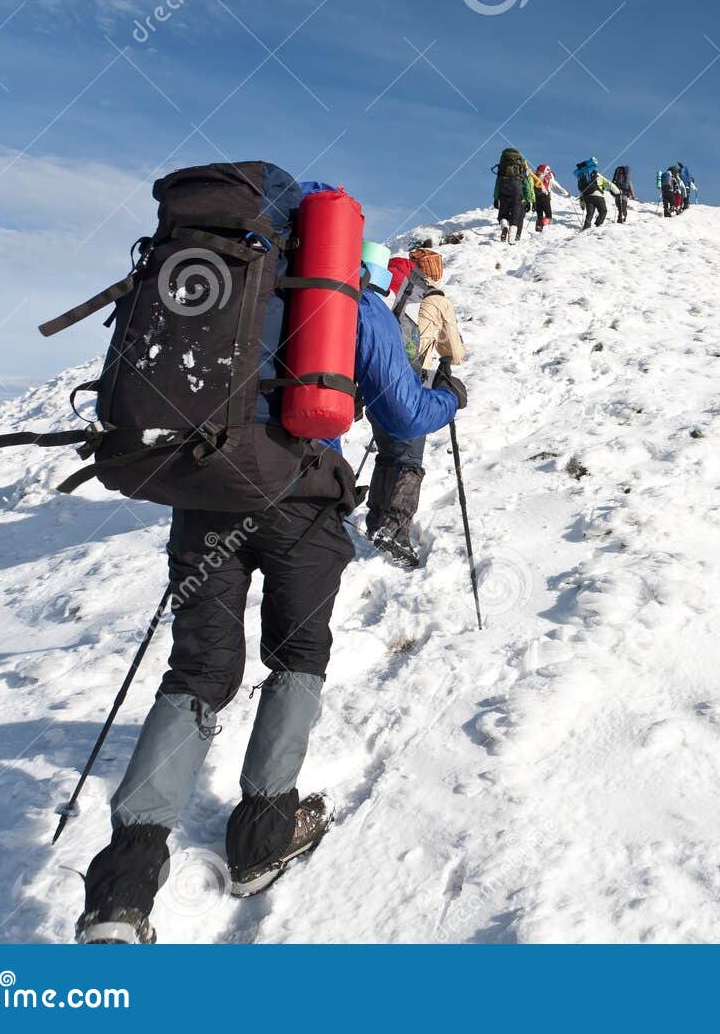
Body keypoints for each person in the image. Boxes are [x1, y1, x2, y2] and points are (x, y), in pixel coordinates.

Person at [74, 184, 467, 945]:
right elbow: (404, 415)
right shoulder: (350, 301)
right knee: (297, 656)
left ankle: (122, 890)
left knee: (197, 672)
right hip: (300, 500)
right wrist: (449, 391)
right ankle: (261, 837)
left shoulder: (214, 282)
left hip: (205, 491)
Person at [365, 246, 466, 568]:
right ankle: (395, 531)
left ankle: (376, 521)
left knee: (387, 454)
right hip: (409, 384)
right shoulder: (436, 299)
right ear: (434, 272)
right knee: (409, 460)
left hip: (375, 382)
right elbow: (455, 350)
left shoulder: (391, 293)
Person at [492, 148, 535, 242]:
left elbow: (497, 184)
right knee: (516, 215)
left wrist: (496, 198)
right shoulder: (522, 166)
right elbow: (527, 185)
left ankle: (504, 227)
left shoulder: (502, 167)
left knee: (503, 214)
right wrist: (528, 200)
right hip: (517, 189)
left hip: (504, 188)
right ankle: (511, 239)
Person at [575, 157, 619, 231]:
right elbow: (609, 184)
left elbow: (582, 193)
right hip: (598, 196)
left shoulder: (582, 179)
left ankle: (586, 227)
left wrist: (582, 206)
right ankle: (598, 225)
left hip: (587, 197)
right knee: (603, 211)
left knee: (590, 213)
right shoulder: (598, 176)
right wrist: (618, 192)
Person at [531, 162, 569, 232]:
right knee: (548, 215)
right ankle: (542, 225)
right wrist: (566, 193)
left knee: (539, 214)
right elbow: (558, 188)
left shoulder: (535, 177)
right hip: (545, 197)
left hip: (536, 197)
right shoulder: (549, 178)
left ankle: (538, 226)